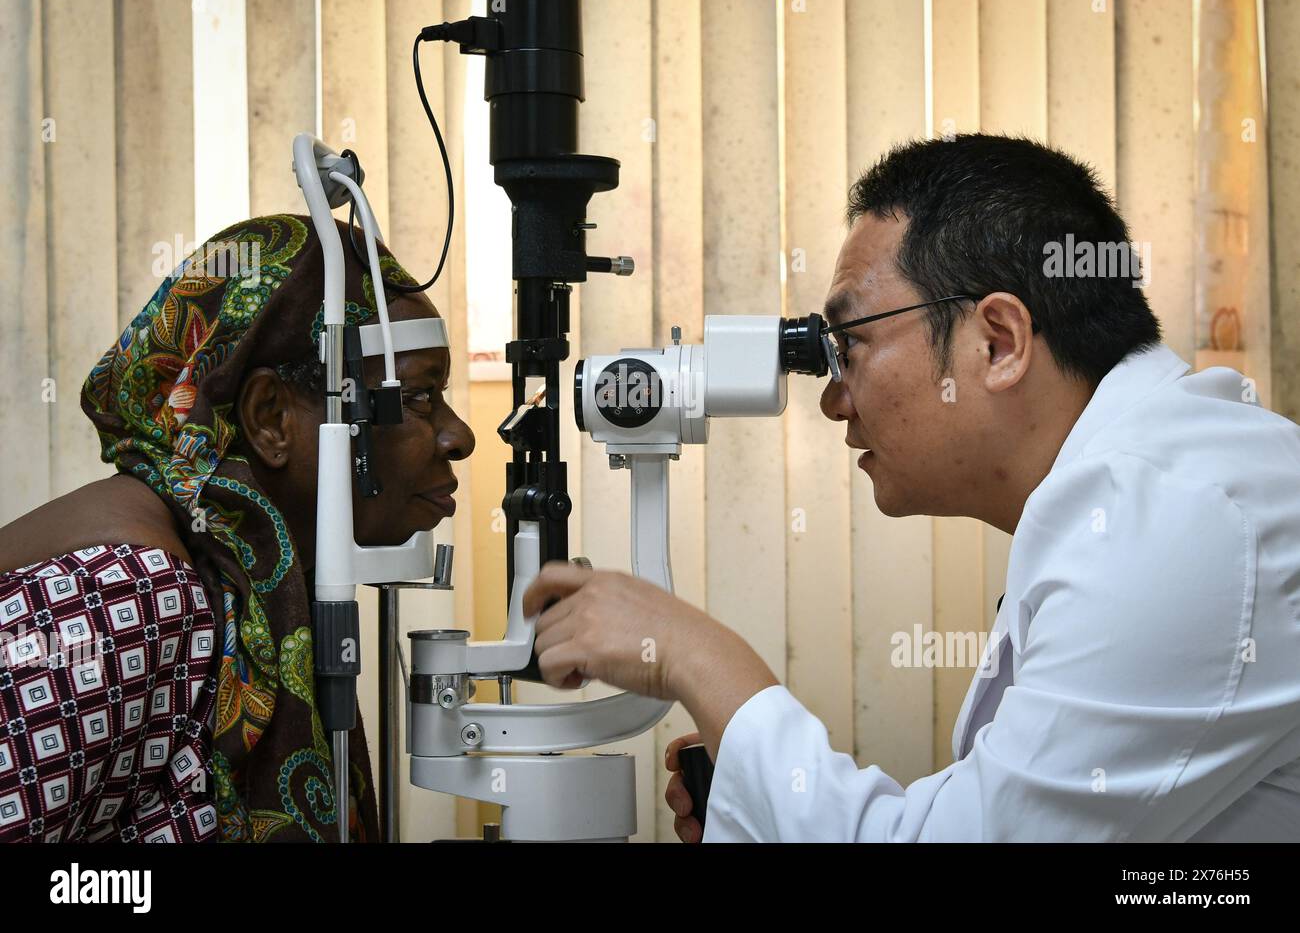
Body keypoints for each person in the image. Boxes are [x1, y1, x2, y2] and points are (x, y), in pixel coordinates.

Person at [521, 134, 1300, 841]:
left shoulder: (1174, 518)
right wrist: (765, 802)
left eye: (849, 344)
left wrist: (695, 654)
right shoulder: (1133, 492)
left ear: (998, 343)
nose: (832, 399)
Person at [0, 214, 474, 842]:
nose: (459, 436)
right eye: (417, 397)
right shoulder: (136, 598)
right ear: (270, 417)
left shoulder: (244, 586)